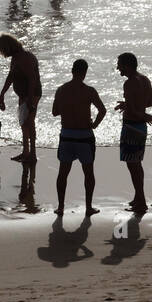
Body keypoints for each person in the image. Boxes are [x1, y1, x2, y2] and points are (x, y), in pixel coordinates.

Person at [51, 59, 108, 215]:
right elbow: (102, 110)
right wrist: (94, 124)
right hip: (84, 136)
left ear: (72, 70)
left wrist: (68, 108)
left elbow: (55, 112)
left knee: (63, 172)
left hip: (67, 135)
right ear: (85, 72)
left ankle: (61, 207)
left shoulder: (61, 90)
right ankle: (88, 207)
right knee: (88, 173)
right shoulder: (89, 91)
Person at [115, 52, 152, 213]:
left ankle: (141, 201)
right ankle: (139, 197)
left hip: (131, 126)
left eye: (120, 64)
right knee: (136, 164)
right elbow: (150, 102)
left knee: (133, 166)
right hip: (140, 128)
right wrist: (135, 107)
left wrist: (133, 108)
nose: (118, 67)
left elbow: (134, 110)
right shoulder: (144, 79)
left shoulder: (129, 83)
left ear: (127, 65)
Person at [0, 34, 41, 162]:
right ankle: (25, 152)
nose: (1, 52)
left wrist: (31, 100)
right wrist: (2, 94)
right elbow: (11, 76)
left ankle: (32, 154)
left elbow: (32, 80)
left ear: (8, 47)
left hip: (32, 94)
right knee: (23, 123)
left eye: (1, 49)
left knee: (29, 122)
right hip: (23, 95)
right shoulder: (15, 58)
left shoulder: (25, 58)